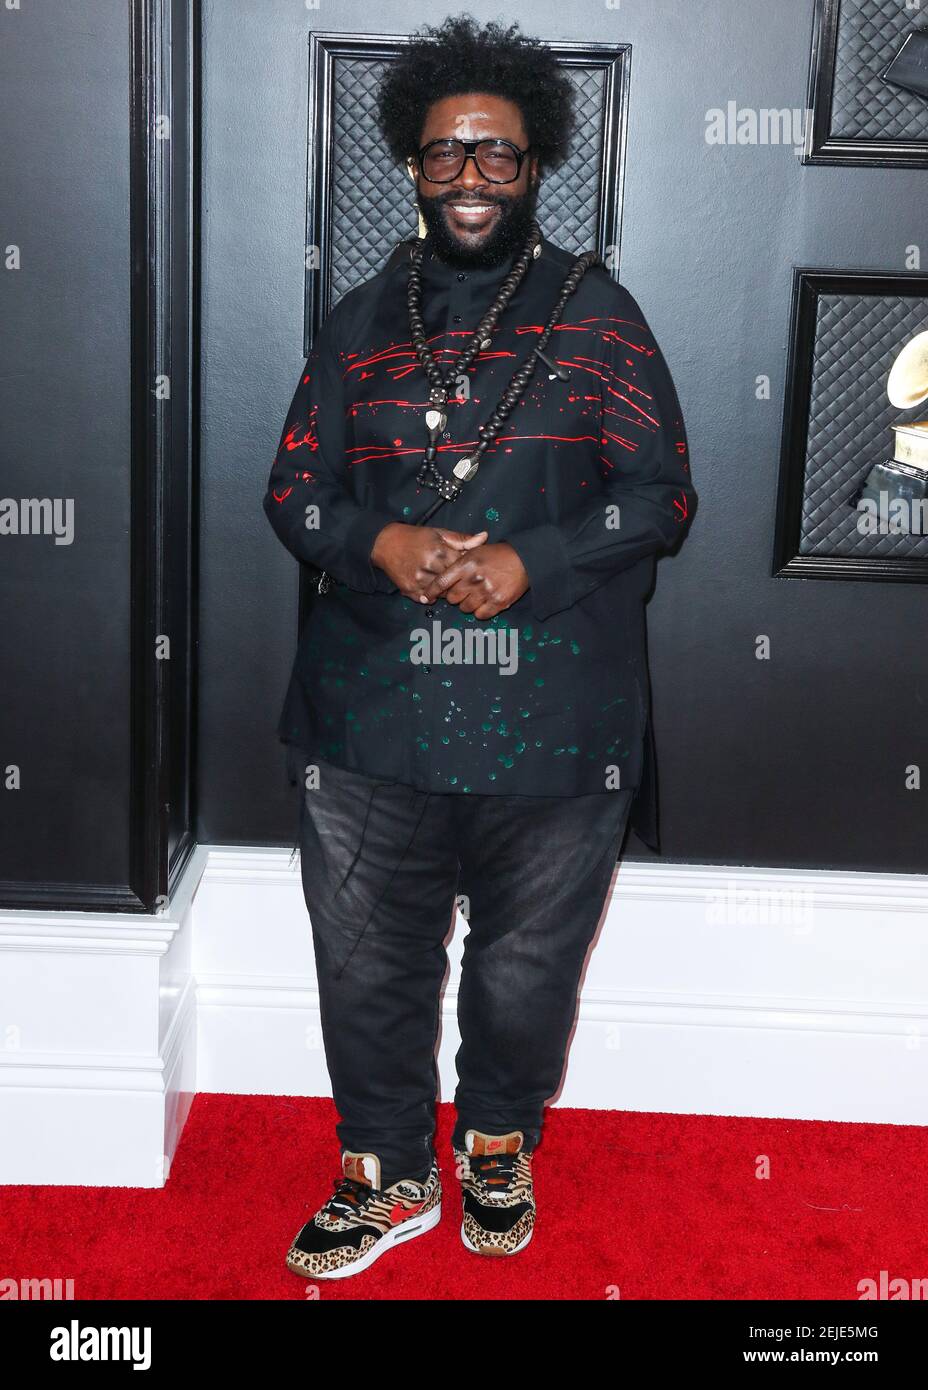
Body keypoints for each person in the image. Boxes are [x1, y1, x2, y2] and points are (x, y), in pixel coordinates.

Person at [263, 15, 697, 1280]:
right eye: (446, 150)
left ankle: (496, 1144)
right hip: (367, 709)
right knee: (365, 962)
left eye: (495, 153)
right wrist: (378, 545)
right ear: (409, 159)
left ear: (532, 164)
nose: (469, 174)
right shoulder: (355, 324)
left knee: (524, 971)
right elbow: (292, 493)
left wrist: (533, 560)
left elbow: (663, 493)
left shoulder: (599, 315)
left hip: (556, 715)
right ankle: (386, 1171)